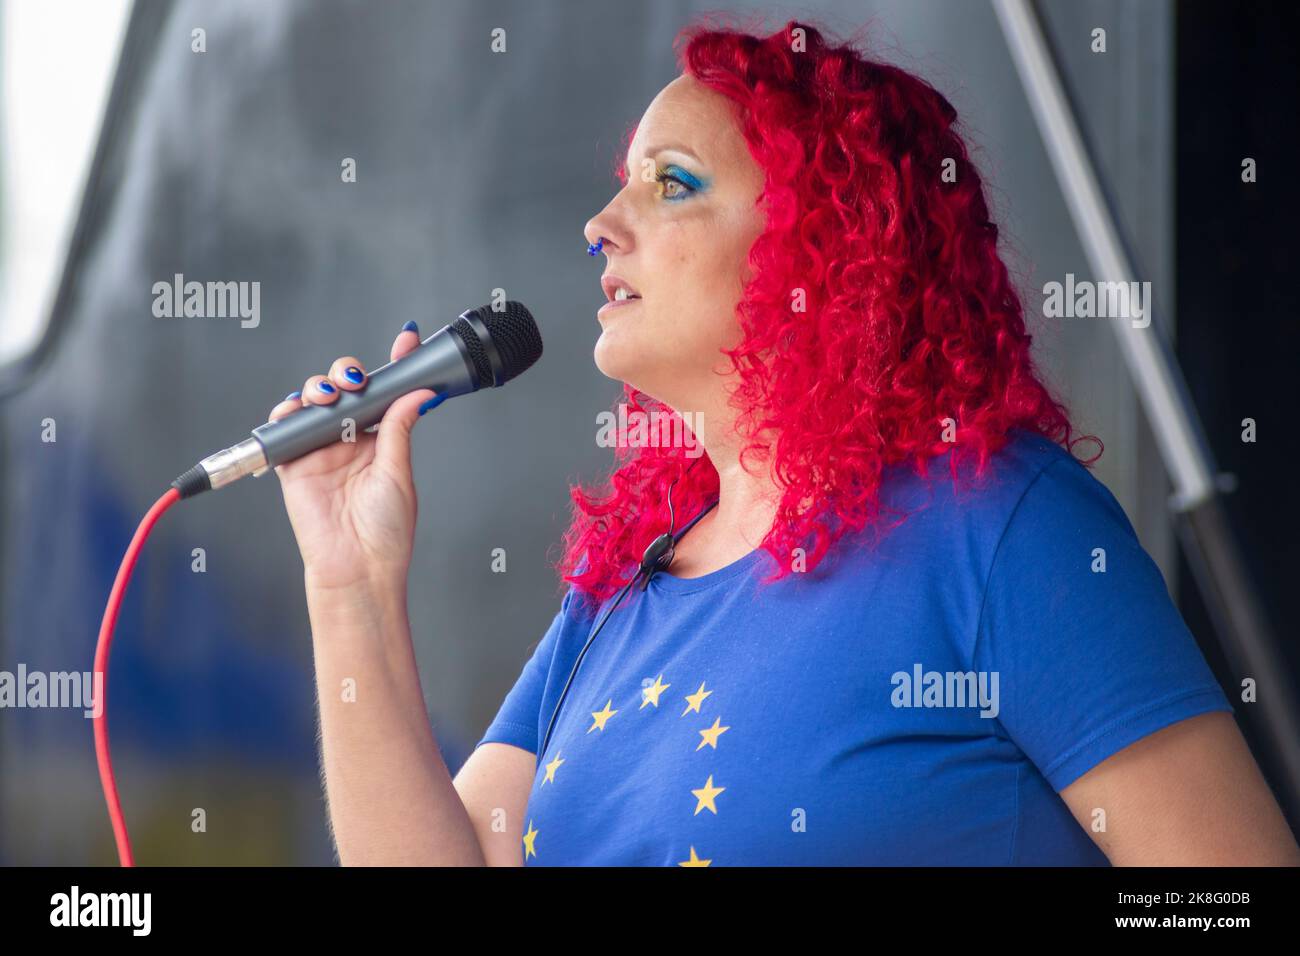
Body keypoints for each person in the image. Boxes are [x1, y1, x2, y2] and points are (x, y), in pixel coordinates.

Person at [266, 18, 1300, 865]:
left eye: (670, 183)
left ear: (829, 237)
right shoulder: (622, 588)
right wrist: (347, 583)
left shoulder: (999, 525)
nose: (599, 223)